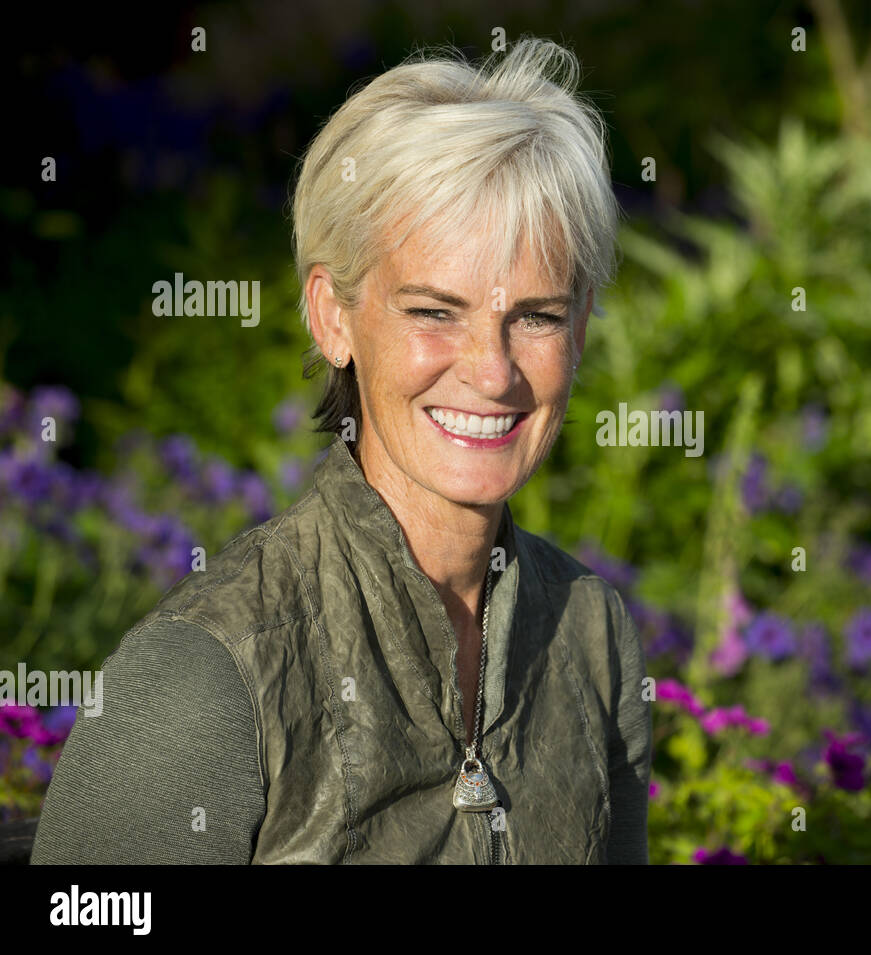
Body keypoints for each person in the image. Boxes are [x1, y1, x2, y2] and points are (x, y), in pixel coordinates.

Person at [31, 36, 651, 864]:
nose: (493, 370)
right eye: (434, 311)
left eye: (535, 316)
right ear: (333, 317)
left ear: (577, 333)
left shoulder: (592, 634)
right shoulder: (208, 670)